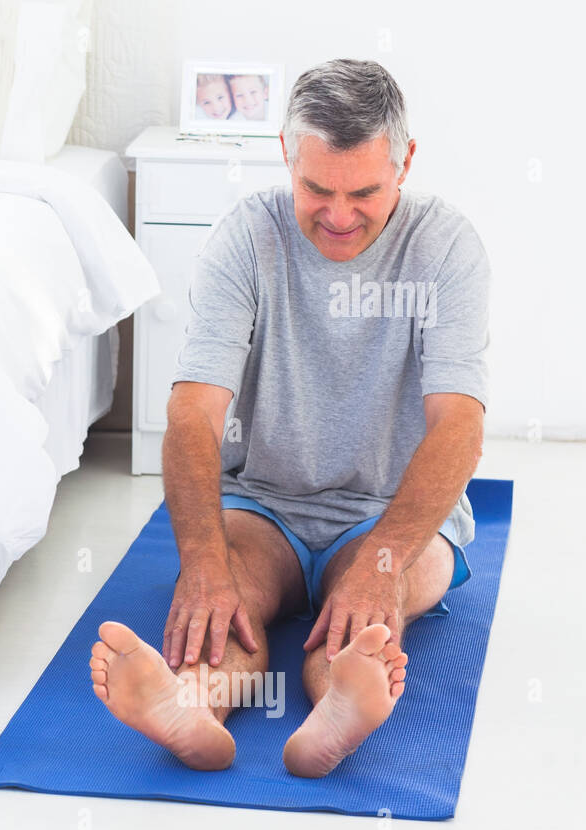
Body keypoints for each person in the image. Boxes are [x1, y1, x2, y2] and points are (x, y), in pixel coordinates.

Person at [90, 59, 490, 777]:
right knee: (229, 602)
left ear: (406, 164)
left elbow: (457, 423)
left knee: (365, 616)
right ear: (285, 154)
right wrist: (204, 564)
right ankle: (193, 705)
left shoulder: (447, 246)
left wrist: (381, 560)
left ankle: (339, 712)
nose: (338, 216)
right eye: (315, 190)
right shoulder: (243, 238)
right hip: (264, 504)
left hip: (390, 511)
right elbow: (191, 415)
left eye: (365, 192)